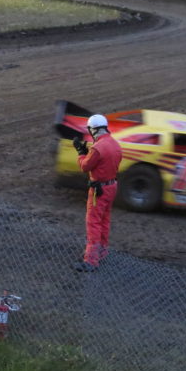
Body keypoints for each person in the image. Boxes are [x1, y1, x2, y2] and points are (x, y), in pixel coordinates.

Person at [71, 114, 123, 272]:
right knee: (104, 220)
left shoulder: (98, 148)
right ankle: (102, 252)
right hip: (112, 186)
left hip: (98, 190)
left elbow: (85, 167)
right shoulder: (115, 144)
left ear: (93, 130)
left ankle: (91, 261)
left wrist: (81, 152)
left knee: (93, 223)